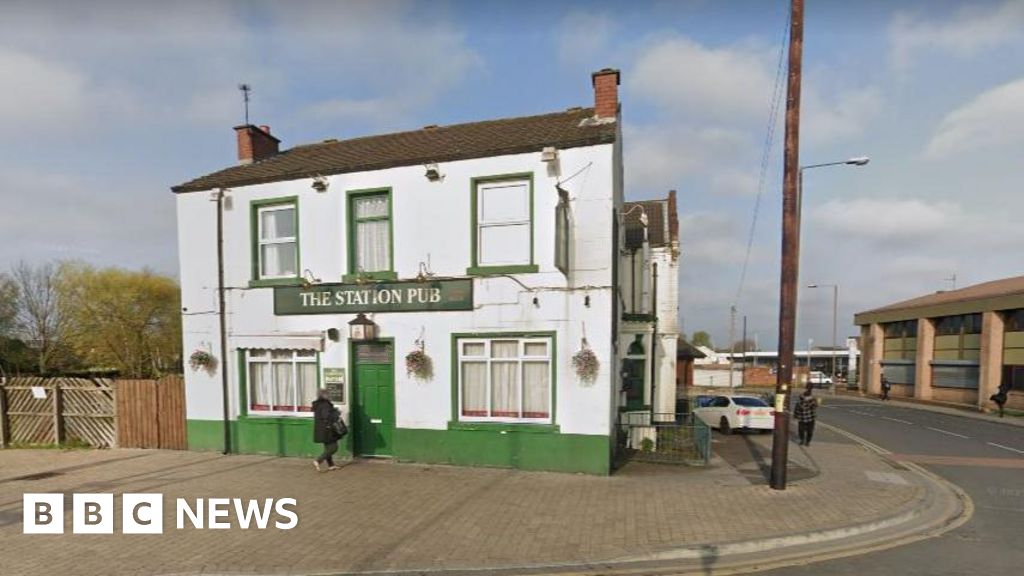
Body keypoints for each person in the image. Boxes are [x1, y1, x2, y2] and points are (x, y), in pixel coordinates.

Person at [312, 389, 345, 471]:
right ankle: (318, 460)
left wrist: (333, 411)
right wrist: (337, 413)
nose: (330, 396)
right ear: (324, 395)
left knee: (327, 448)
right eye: (328, 394)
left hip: (321, 430)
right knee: (333, 448)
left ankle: (331, 465)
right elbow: (326, 416)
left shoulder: (318, 404)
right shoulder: (325, 404)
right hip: (328, 429)